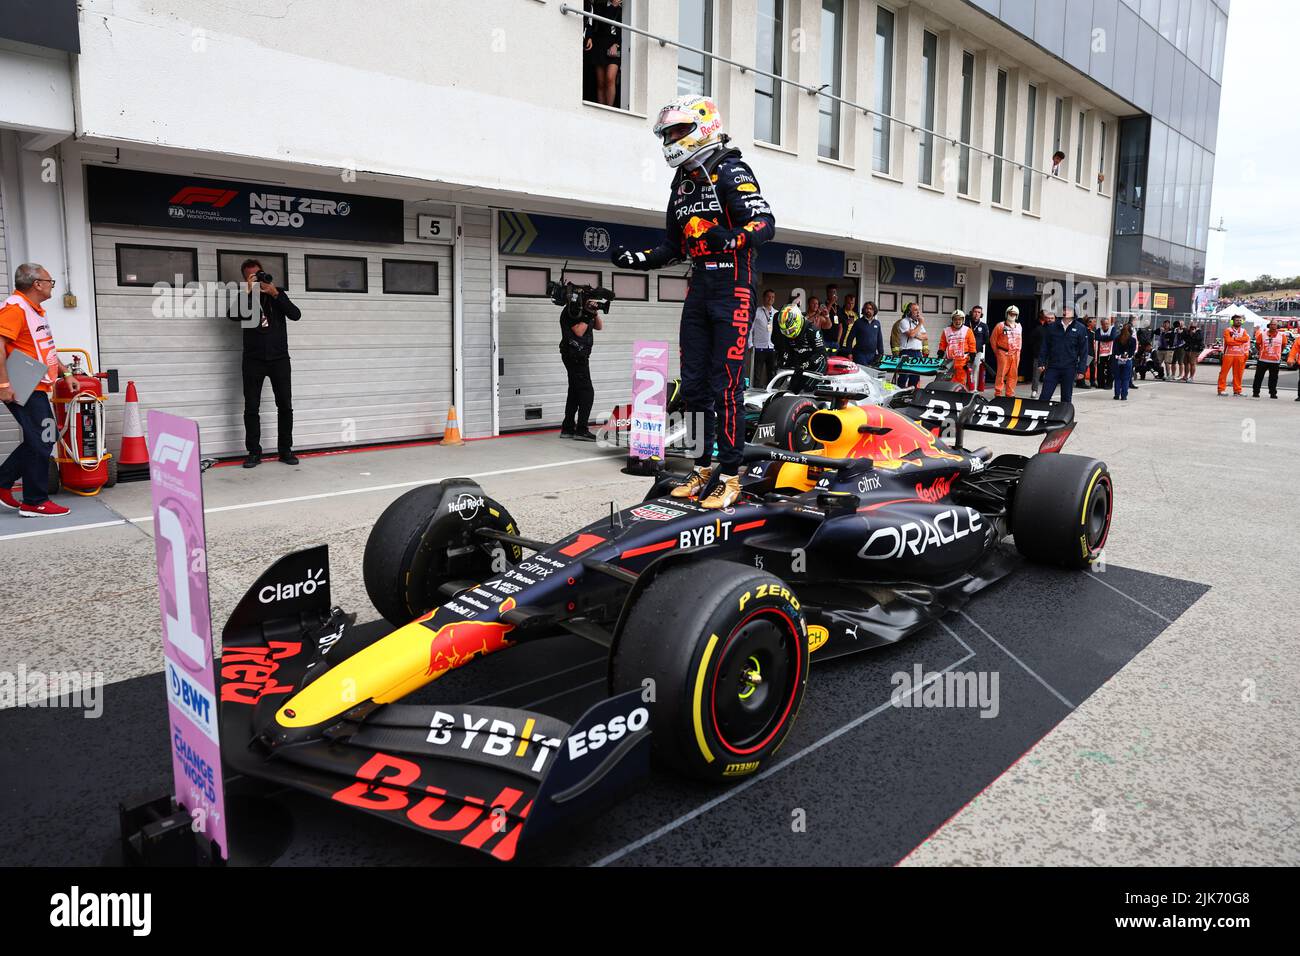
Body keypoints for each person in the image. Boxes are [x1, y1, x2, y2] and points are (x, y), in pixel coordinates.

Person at [611, 94, 775, 509]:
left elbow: (765, 223)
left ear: (703, 126)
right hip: (699, 285)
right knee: (695, 386)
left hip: (734, 285)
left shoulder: (730, 169)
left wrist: (733, 237)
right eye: (667, 132)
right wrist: (639, 260)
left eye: (678, 130)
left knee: (727, 386)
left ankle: (732, 473)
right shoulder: (681, 184)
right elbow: (672, 246)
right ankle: (704, 466)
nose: (671, 138)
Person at [0, 262, 82, 518]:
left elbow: (46, 347)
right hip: (23, 384)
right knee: (44, 438)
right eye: (49, 281)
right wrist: (3, 385)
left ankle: (3, 483)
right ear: (36, 284)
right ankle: (34, 502)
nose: (51, 286)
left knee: (42, 437)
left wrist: (66, 373)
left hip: (35, 382)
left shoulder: (36, 311)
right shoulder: (15, 308)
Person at [235, 258, 301, 467]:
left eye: (259, 274)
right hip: (253, 360)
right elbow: (233, 316)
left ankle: (285, 450)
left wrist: (274, 293)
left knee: (285, 406)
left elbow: (295, 314)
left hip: (279, 359)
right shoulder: (245, 297)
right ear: (246, 278)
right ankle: (254, 452)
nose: (257, 279)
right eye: (252, 276)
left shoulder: (277, 293)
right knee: (251, 408)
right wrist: (247, 292)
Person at [558, 292, 603, 440]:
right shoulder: (571, 311)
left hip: (580, 355)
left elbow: (599, 327)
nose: (592, 303)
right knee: (586, 392)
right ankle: (582, 430)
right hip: (574, 356)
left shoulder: (585, 312)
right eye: (590, 301)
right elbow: (578, 331)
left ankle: (567, 428)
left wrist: (593, 313)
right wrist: (587, 314)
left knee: (574, 391)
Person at [1036, 307, 1091, 403]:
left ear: (1074, 312)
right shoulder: (1052, 327)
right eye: (1064, 309)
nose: (1066, 312)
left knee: (1066, 398)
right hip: (1053, 366)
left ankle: (1063, 418)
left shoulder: (1080, 328)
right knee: (1045, 396)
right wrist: (1041, 362)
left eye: (1069, 310)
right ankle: (1041, 416)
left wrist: (1082, 370)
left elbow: (1084, 351)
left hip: (1070, 368)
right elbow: (1044, 346)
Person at [774, 303, 826, 391]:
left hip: (816, 363)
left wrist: (807, 364)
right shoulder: (787, 335)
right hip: (800, 363)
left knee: (806, 389)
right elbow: (787, 352)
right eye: (785, 331)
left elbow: (821, 353)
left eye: (790, 330)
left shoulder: (812, 331)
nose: (788, 334)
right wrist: (783, 364)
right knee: (793, 389)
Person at [583, 2, 624, 108]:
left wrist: (617, 44)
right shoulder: (600, 7)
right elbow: (602, 24)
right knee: (601, 82)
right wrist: (612, 7)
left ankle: (609, 109)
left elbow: (625, 31)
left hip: (616, 46)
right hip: (600, 45)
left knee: (610, 78)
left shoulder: (624, 9)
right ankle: (601, 108)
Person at [989, 305, 1022, 398]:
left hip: (1015, 354)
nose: (1012, 315)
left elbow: (1020, 340)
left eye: (1014, 314)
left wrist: (1018, 352)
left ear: (1017, 315)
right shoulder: (1000, 326)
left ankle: (1010, 394)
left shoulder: (1019, 326)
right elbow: (993, 339)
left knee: (1013, 375)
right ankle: (998, 393)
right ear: (1007, 314)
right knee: (1001, 374)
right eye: (1010, 313)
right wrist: (998, 352)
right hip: (1003, 353)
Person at [938, 309, 976, 389]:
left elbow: (972, 345)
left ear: (963, 320)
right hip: (949, 361)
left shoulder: (968, 331)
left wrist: (971, 359)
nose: (957, 321)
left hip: (962, 360)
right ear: (952, 320)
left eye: (959, 319)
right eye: (955, 319)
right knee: (947, 380)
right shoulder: (946, 331)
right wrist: (940, 356)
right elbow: (942, 344)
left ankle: (959, 396)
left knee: (960, 382)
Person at [894, 301, 929, 388]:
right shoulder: (904, 322)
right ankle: (899, 394)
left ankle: (911, 396)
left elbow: (925, 336)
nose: (918, 312)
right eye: (915, 310)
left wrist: (916, 334)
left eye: (918, 310)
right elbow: (911, 335)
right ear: (909, 312)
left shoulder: (917, 323)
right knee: (904, 376)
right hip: (907, 352)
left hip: (918, 353)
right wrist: (920, 324)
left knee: (915, 377)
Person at [749, 288, 778, 387]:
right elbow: (750, 329)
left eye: (773, 297)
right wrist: (750, 344)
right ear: (764, 298)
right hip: (759, 347)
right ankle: (755, 394)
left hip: (772, 347)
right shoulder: (757, 311)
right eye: (768, 296)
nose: (771, 299)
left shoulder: (777, 313)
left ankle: (769, 394)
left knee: (772, 374)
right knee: (757, 374)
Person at [843, 298, 884, 368]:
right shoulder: (858, 322)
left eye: (871, 309)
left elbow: (879, 339)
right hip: (860, 354)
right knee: (863, 374)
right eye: (867, 308)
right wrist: (849, 353)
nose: (868, 310)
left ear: (874, 311)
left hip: (873, 355)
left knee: (871, 375)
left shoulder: (877, 323)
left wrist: (881, 354)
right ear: (864, 310)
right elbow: (850, 338)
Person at [1217, 315, 1250, 396]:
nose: (1239, 322)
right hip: (1228, 354)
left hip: (1240, 355)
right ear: (1232, 321)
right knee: (1223, 373)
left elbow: (1246, 339)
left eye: (1240, 320)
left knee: (1238, 374)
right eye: (1237, 320)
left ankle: (1237, 391)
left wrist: (1235, 339)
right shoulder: (1227, 330)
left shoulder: (1243, 331)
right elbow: (1228, 341)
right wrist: (1239, 341)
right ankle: (1221, 389)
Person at [1252, 320, 1284, 399]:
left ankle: (1273, 393)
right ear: (1269, 325)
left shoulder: (1282, 335)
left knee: (1273, 378)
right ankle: (1256, 392)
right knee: (1258, 377)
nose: (1273, 326)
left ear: (1277, 326)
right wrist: (1261, 351)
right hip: (1263, 360)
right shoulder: (1262, 334)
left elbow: (1283, 346)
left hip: (1275, 360)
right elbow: (1257, 344)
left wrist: (1277, 353)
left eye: (1275, 325)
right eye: (1271, 324)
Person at [1025, 310, 1050, 398]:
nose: (1048, 318)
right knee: (1036, 374)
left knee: (1049, 375)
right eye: (1046, 315)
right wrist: (1035, 350)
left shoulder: (1049, 327)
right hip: (1038, 354)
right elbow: (1030, 340)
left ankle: (1046, 391)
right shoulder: (1036, 326)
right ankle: (1034, 390)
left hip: (1048, 354)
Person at [967, 305, 990, 392]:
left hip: (977, 352)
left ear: (981, 314)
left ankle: (973, 388)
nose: (976, 314)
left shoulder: (984, 326)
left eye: (979, 312)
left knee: (975, 368)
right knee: (964, 369)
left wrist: (978, 345)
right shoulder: (966, 323)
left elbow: (986, 340)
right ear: (971, 313)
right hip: (966, 351)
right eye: (975, 312)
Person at [1110, 323, 1136, 401]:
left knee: (1118, 378)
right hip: (1127, 360)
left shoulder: (1117, 338)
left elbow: (1114, 350)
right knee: (1125, 379)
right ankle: (1124, 396)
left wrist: (1120, 355)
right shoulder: (1132, 340)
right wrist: (1127, 355)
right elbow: (1132, 351)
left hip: (1118, 360)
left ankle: (1117, 395)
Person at [1095, 315, 1117, 390]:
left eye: (1107, 323)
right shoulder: (1098, 330)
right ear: (1101, 324)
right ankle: (1101, 384)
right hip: (1101, 353)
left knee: (1110, 369)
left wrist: (1103, 338)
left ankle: (1109, 384)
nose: (1106, 325)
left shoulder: (1112, 329)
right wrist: (1107, 338)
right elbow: (1097, 337)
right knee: (1100, 369)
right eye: (1104, 324)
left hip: (1110, 353)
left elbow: (1112, 337)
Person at [834, 292, 859, 357]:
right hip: (843, 344)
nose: (850, 305)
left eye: (852, 303)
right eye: (848, 303)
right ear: (845, 302)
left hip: (855, 345)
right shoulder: (840, 312)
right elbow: (836, 326)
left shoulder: (856, 314)